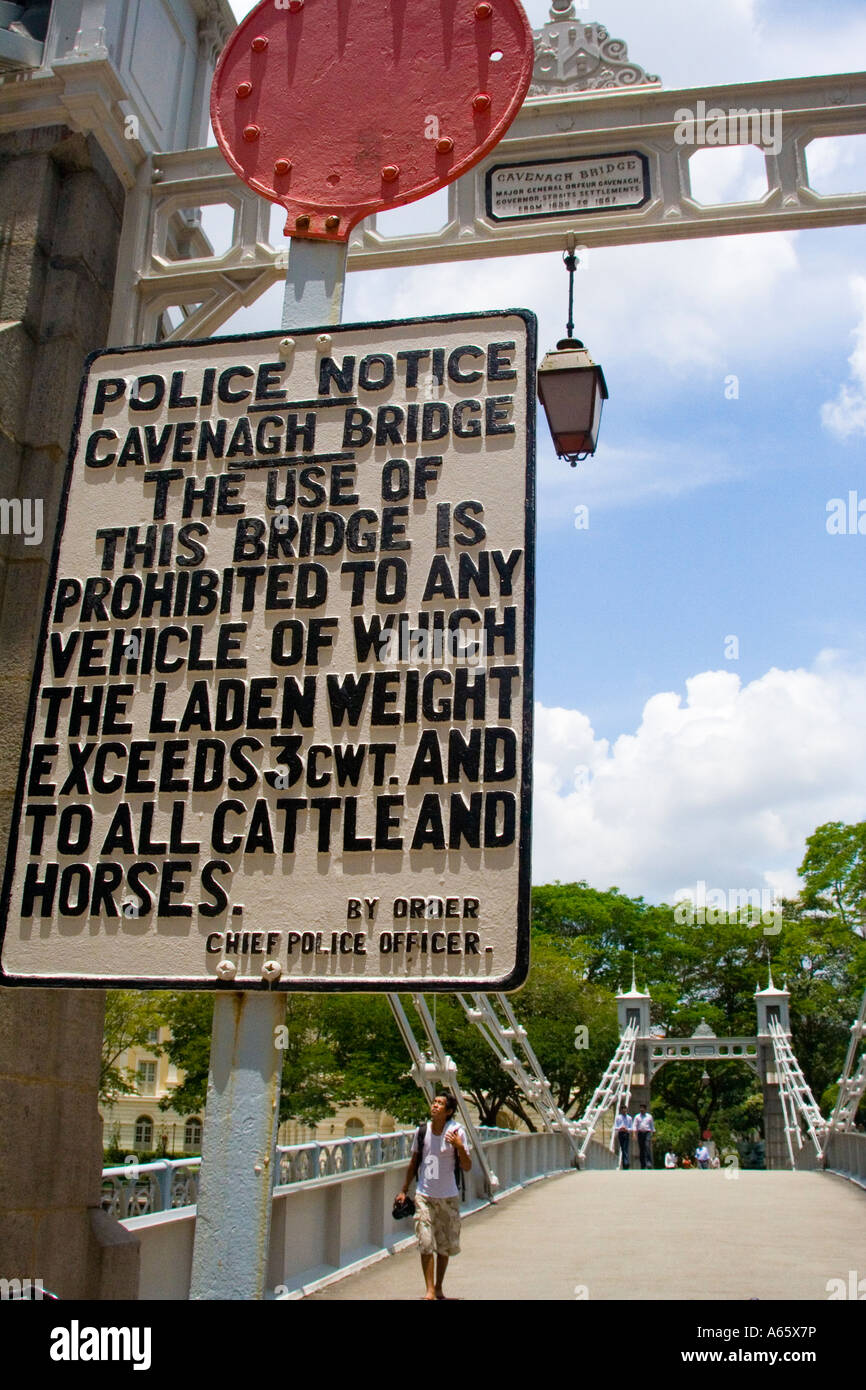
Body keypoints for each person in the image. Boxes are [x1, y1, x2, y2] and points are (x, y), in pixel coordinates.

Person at [396, 1091, 472, 1301]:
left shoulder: (456, 1132)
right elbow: (414, 1162)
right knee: (426, 1242)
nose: (435, 1106)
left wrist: (459, 1147)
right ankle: (429, 1291)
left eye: (440, 1104)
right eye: (434, 1102)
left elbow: (467, 1165)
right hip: (424, 1195)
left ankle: (439, 1288)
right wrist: (404, 1190)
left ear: (448, 1111)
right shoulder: (422, 1131)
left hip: (448, 1197)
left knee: (444, 1246)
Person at [633, 1103, 655, 1169]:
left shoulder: (649, 1116)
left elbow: (652, 1126)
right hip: (640, 1133)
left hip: (647, 1133)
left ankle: (649, 1163)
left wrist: (653, 1135)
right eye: (640, 1108)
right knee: (641, 1149)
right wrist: (634, 1134)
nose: (641, 1110)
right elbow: (634, 1125)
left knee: (647, 1146)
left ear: (645, 1109)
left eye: (643, 1108)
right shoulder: (637, 1116)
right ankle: (643, 1164)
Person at [613, 1101, 632, 1169]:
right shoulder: (618, 1118)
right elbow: (615, 1127)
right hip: (620, 1133)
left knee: (625, 1148)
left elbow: (631, 1127)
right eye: (623, 1109)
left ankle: (626, 1163)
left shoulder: (629, 1118)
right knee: (623, 1148)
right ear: (621, 1110)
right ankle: (625, 1163)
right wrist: (620, 1128)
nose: (624, 1110)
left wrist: (627, 1129)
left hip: (626, 1133)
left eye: (625, 1109)